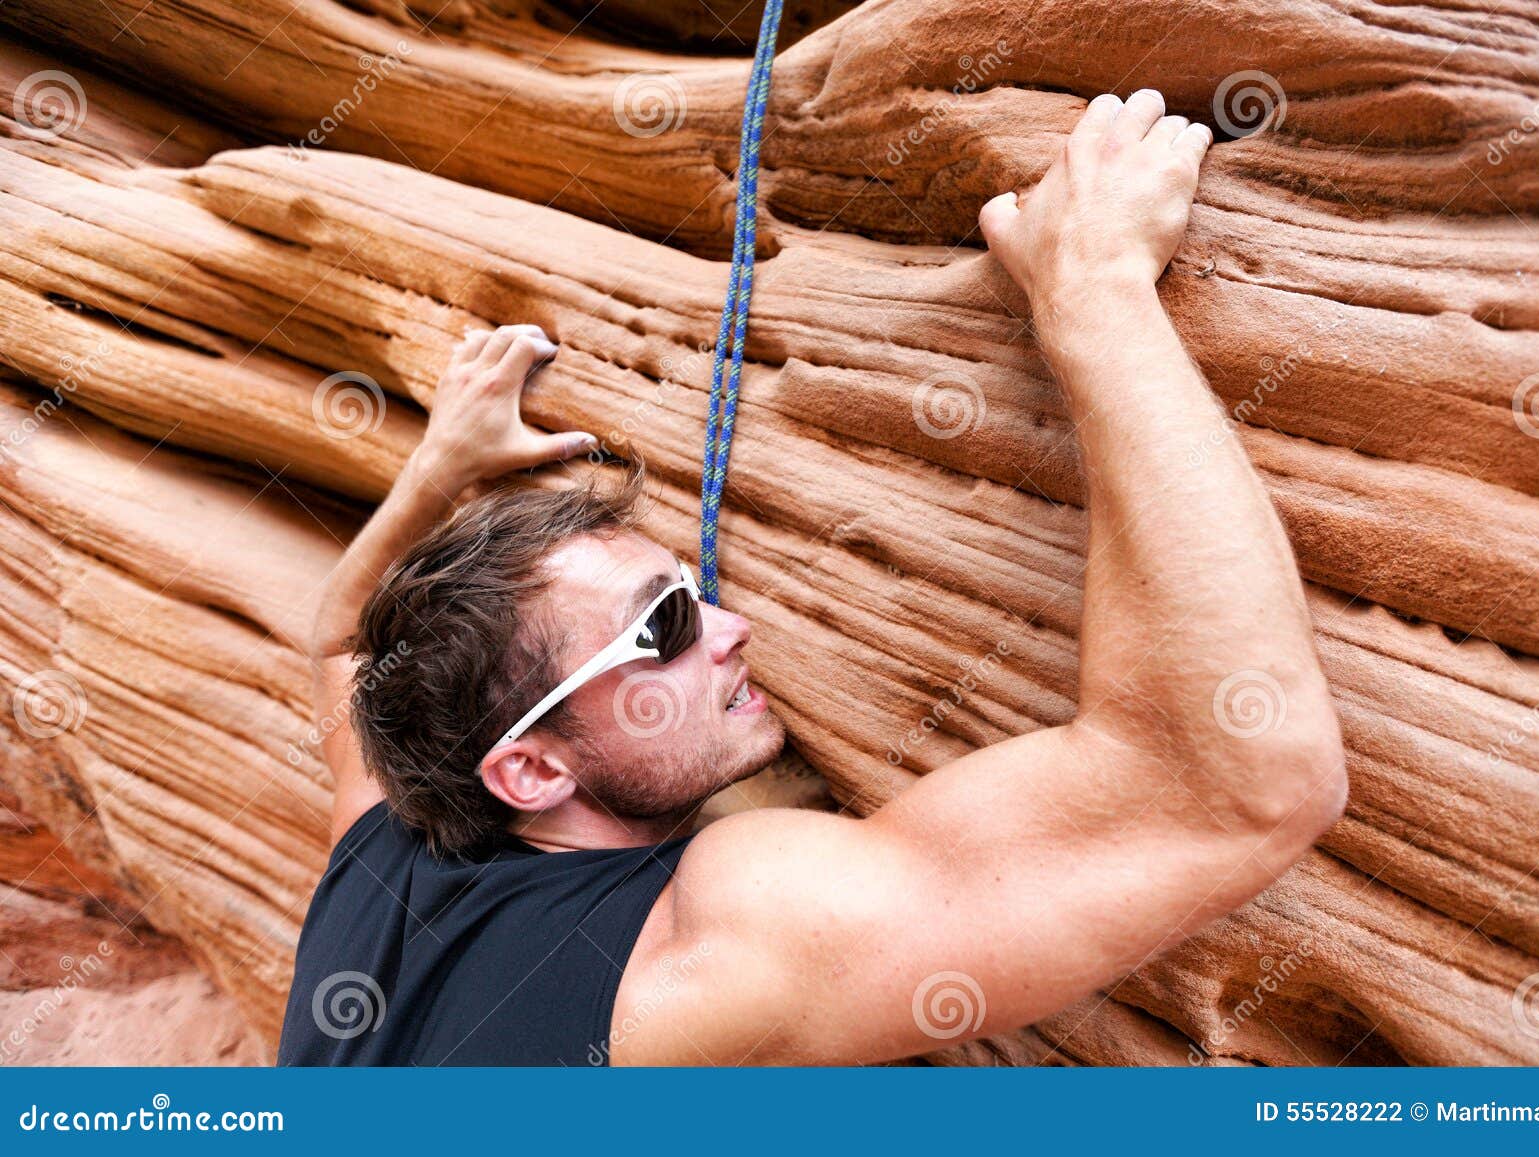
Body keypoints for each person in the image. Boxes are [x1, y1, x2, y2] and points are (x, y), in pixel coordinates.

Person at [277, 90, 1346, 1067]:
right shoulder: (695, 963)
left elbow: (339, 644)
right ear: (530, 774)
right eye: (662, 627)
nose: (729, 625)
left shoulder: (381, 851)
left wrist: (439, 466)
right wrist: (1097, 294)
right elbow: (1232, 786)